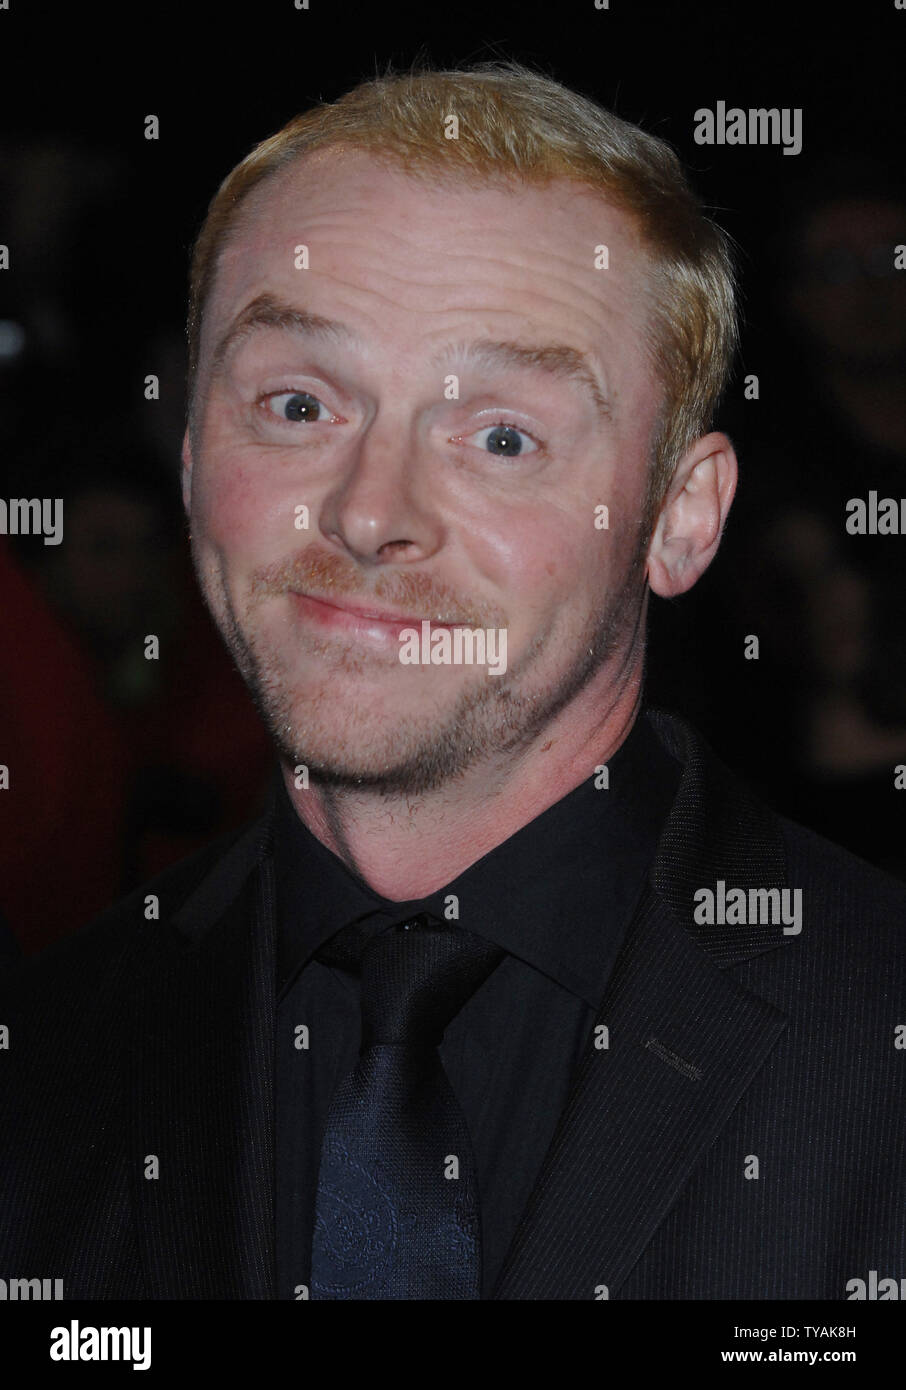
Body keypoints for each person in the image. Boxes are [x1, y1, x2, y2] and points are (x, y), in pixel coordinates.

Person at [1, 60, 903, 1302]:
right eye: (301, 402)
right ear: (196, 451)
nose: (371, 514)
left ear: (681, 518)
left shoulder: (877, 1042)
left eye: (501, 437)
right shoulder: (47, 1055)